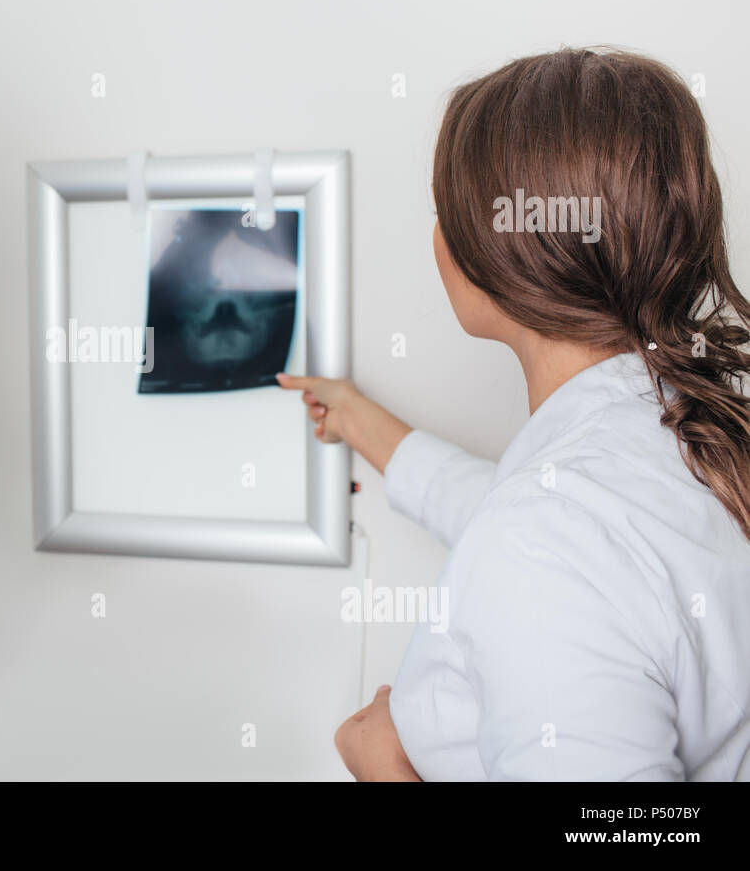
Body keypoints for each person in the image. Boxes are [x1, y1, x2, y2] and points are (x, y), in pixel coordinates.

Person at [280, 47, 750, 781]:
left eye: (446, 213)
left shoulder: (544, 541)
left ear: (496, 256)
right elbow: (525, 513)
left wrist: (382, 768)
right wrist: (356, 418)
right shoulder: (680, 433)